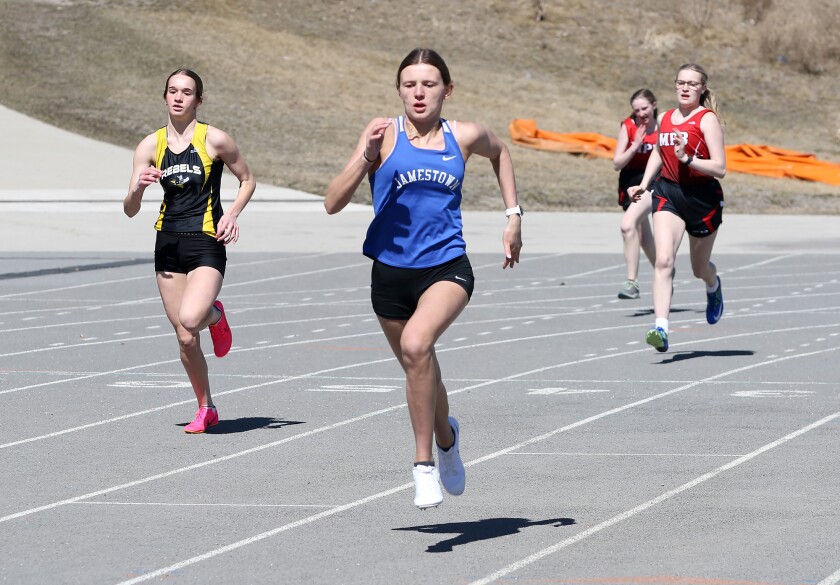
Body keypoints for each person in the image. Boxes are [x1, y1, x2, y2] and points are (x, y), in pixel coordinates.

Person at [324, 48, 523, 509]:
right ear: (399, 89)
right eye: (410, 84)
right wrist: (365, 158)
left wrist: (513, 216)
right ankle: (447, 436)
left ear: (446, 91)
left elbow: (503, 152)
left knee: (417, 347)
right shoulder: (382, 133)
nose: (419, 92)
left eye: (429, 84)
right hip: (390, 275)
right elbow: (332, 202)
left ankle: (424, 464)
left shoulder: (465, 135)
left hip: (446, 267)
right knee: (421, 367)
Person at [123, 68, 256, 432]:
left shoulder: (215, 140)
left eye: (187, 92)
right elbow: (129, 208)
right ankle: (205, 406)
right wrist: (139, 187)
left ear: (199, 99)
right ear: (164, 96)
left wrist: (231, 213)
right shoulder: (150, 146)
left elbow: (247, 178)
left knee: (192, 319)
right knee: (184, 336)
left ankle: (215, 315)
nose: (179, 97)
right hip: (167, 243)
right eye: (173, 91)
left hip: (206, 242)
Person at [628, 63, 726, 352]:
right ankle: (661, 327)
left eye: (692, 84)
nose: (685, 88)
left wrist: (688, 160)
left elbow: (720, 168)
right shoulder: (667, 118)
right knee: (663, 261)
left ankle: (713, 285)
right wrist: (644, 184)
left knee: (699, 268)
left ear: (702, 89)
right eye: (681, 83)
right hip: (668, 193)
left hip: (702, 198)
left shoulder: (706, 120)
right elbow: (659, 151)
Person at [613, 89, 659, 300]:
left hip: (653, 182)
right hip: (631, 182)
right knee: (642, 234)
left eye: (645, 108)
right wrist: (635, 146)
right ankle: (664, 269)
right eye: (636, 110)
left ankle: (632, 282)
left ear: (654, 105)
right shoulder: (629, 126)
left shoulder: (661, 127)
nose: (641, 113)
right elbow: (617, 163)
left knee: (630, 225)